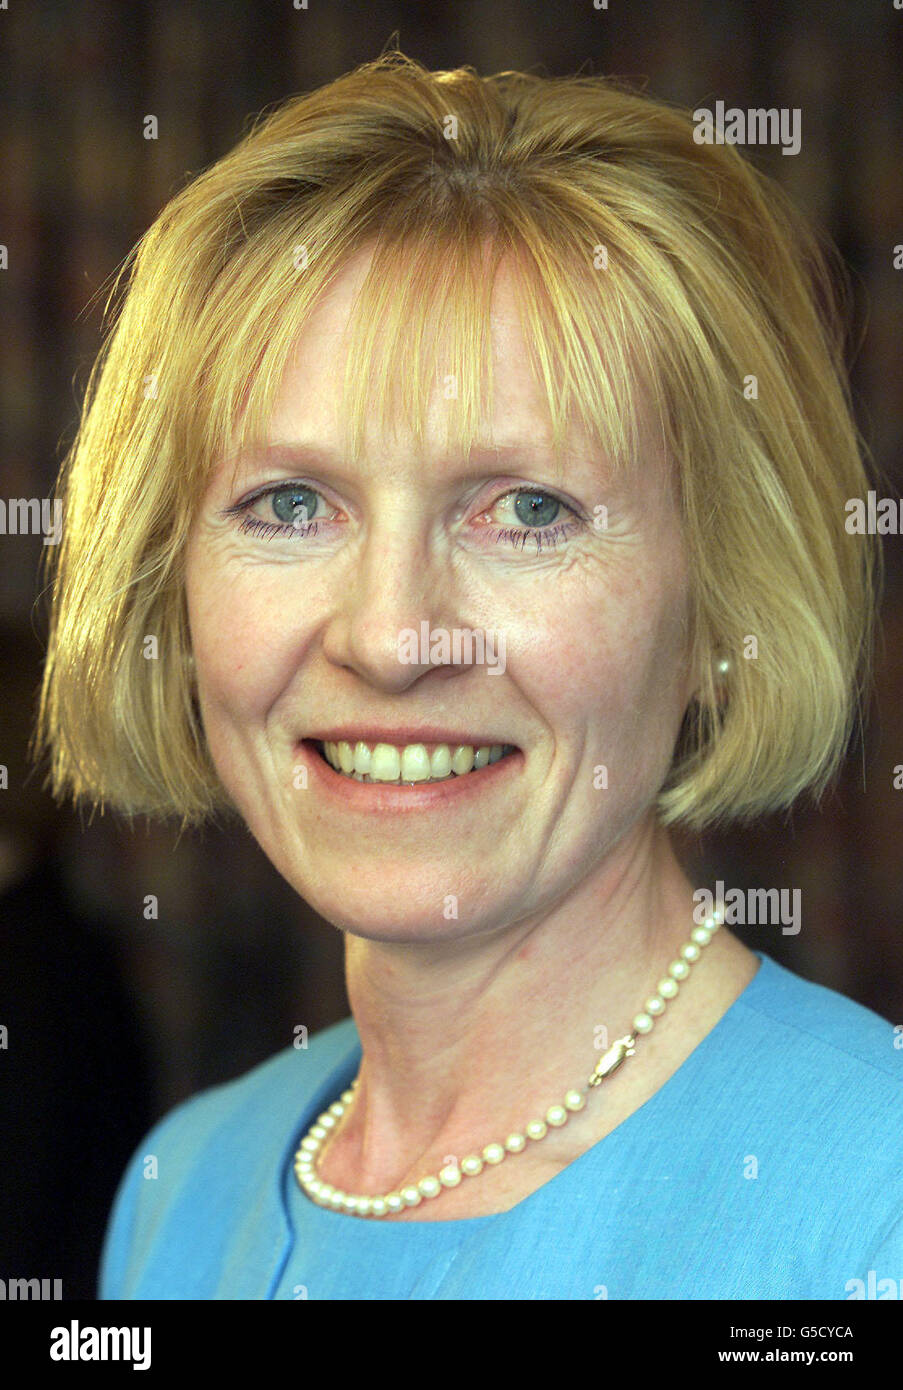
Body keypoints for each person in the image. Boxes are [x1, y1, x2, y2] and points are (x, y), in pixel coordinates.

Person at [36, 50, 899, 1299]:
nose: (392, 639)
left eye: (527, 511)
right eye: (290, 503)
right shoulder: (185, 1185)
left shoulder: (875, 1202)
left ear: (723, 597)